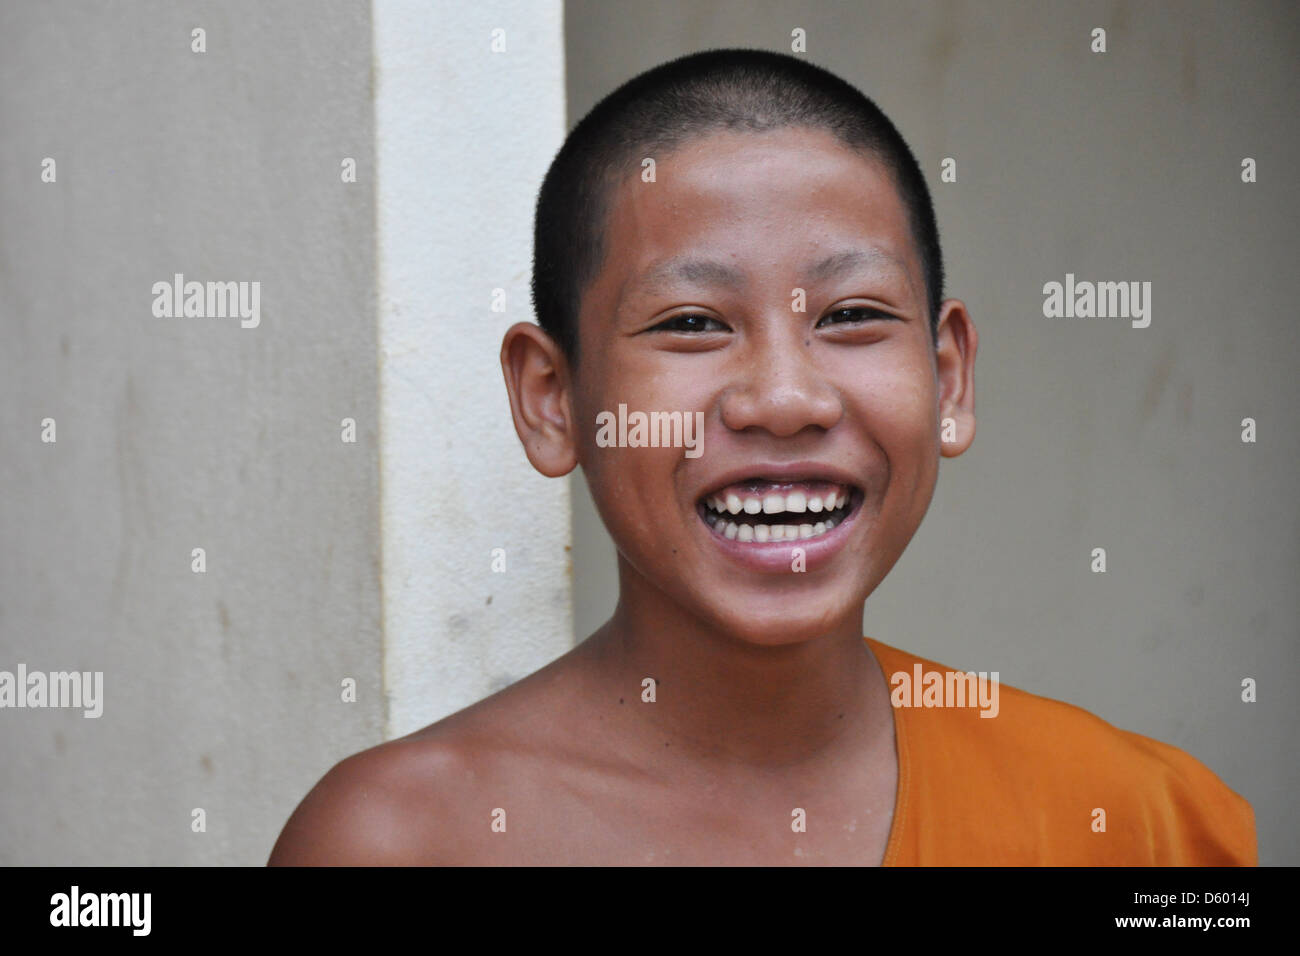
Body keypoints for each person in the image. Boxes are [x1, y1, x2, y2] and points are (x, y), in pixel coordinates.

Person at [269, 48, 1255, 865]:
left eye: (853, 315)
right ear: (552, 398)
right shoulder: (403, 842)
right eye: (692, 321)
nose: (783, 398)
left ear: (948, 377)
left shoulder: (1130, 821)